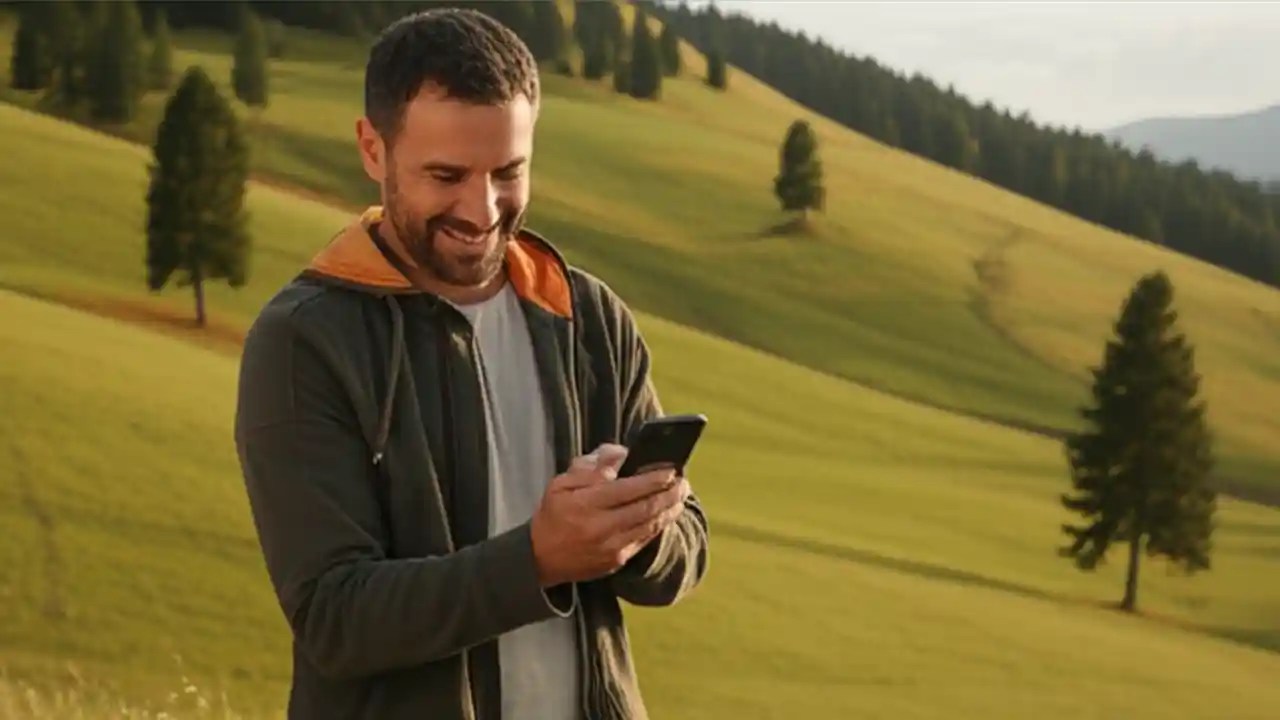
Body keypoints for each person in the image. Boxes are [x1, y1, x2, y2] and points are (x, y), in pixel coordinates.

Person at [233, 7, 710, 720]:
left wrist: (640, 533)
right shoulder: (303, 341)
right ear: (372, 148)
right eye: (447, 175)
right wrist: (540, 559)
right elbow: (335, 618)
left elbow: (687, 554)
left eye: (508, 172)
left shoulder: (588, 315)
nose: (482, 208)